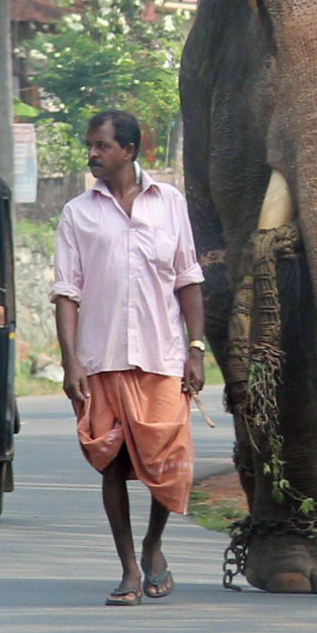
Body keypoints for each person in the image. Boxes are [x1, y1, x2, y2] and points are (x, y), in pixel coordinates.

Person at [52, 110, 206, 605]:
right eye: (90, 144)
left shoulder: (170, 204)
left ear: (129, 151)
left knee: (165, 462)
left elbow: (188, 279)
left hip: (162, 356)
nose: (92, 154)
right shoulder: (78, 213)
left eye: (101, 146)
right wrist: (71, 361)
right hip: (101, 357)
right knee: (112, 464)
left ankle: (153, 545)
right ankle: (128, 568)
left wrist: (197, 349)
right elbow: (66, 293)